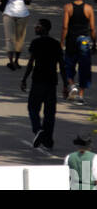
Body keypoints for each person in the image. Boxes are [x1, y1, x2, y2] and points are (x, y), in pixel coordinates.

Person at [21, 17, 68, 154]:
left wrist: (24, 79)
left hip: (38, 81)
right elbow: (62, 66)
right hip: (51, 83)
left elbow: (31, 63)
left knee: (32, 107)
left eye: (37, 26)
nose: (35, 28)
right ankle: (48, 140)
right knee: (50, 113)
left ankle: (38, 129)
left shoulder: (36, 43)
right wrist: (65, 85)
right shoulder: (56, 44)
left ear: (43, 29)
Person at [61, 0, 96, 103]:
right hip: (84, 40)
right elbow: (92, 28)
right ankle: (81, 95)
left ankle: (72, 85)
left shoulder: (68, 8)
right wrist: (94, 43)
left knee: (69, 65)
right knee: (84, 67)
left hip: (71, 39)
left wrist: (62, 42)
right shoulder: (89, 9)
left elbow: (65, 27)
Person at [0, 0, 32, 70]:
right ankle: (10, 61)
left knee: (19, 39)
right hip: (9, 13)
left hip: (23, 15)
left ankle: (16, 60)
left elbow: (28, 1)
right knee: (9, 38)